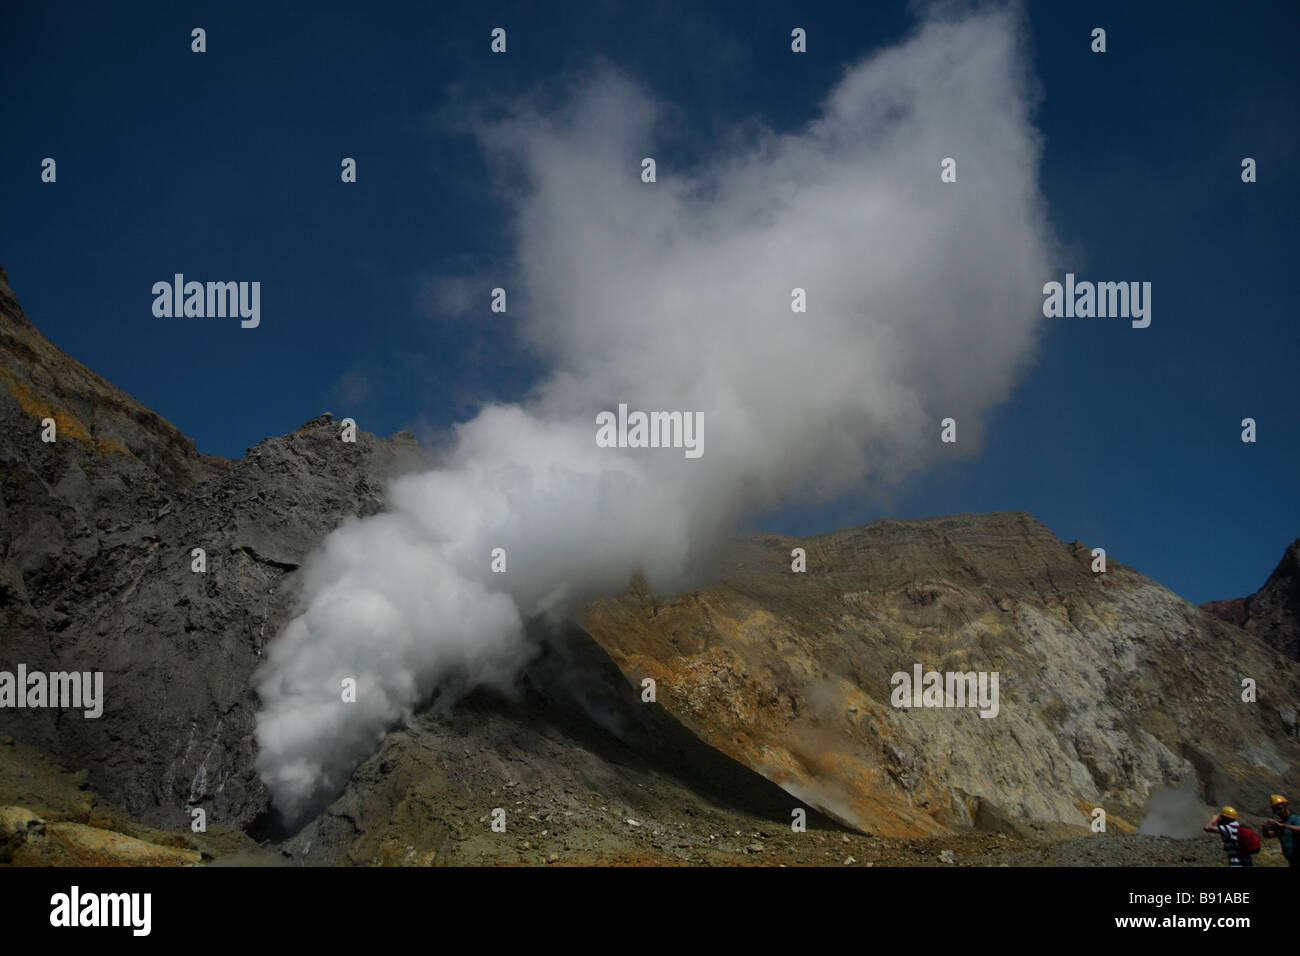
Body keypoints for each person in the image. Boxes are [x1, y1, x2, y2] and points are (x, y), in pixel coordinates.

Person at [1261, 794, 1300, 867]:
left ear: (1285, 806)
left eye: (1279, 808)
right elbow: (1269, 835)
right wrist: (1265, 829)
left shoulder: (1295, 819)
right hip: (1293, 861)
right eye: (1275, 810)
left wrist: (1283, 826)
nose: (1278, 812)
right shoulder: (1281, 824)